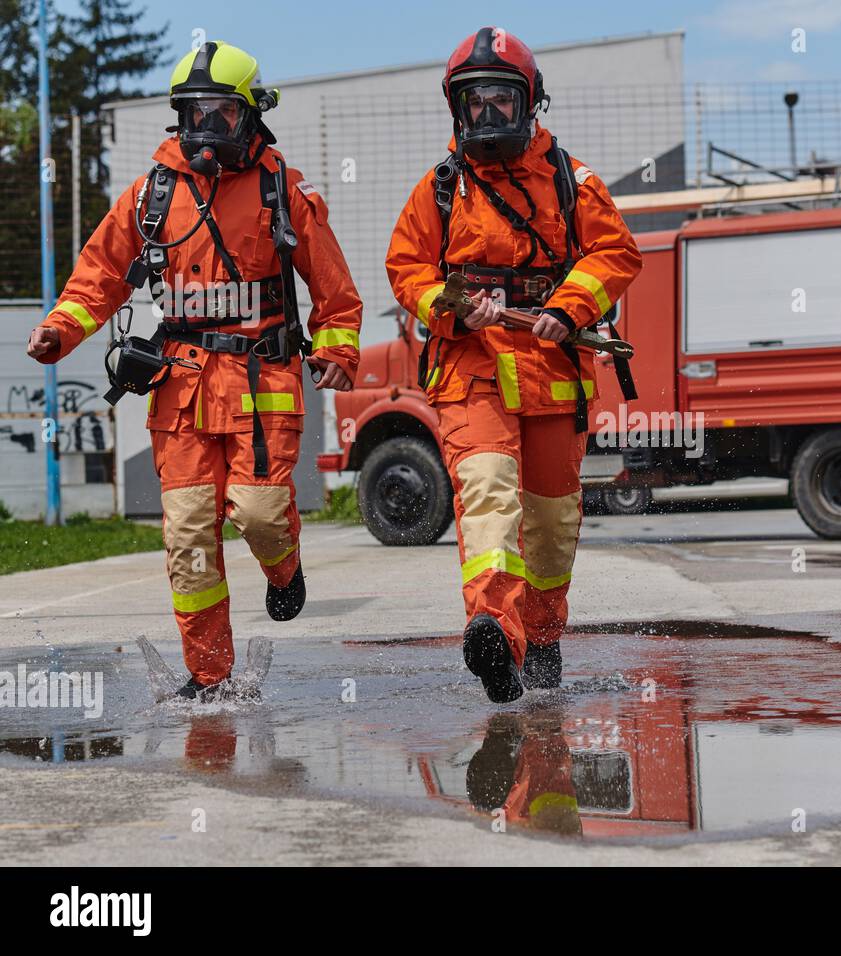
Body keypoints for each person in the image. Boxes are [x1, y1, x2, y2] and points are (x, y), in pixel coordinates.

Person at [27, 41, 362, 699]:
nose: (204, 130)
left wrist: (339, 351)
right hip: (179, 389)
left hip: (261, 385)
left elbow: (335, 292)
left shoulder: (283, 188)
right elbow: (97, 276)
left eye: (220, 115)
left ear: (252, 115)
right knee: (187, 539)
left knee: (262, 513)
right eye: (193, 114)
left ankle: (284, 571)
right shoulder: (153, 191)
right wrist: (60, 328)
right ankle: (208, 678)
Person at [387, 27, 642, 702]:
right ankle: (493, 631)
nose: (489, 114)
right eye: (476, 102)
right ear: (457, 109)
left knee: (552, 525)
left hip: (551, 369)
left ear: (530, 101)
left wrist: (571, 307)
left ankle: (543, 637)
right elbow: (405, 268)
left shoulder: (569, 179)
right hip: (470, 368)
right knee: (490, 494)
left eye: (503, 99)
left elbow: (615, 252)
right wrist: (450, 304)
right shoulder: (440, 189)